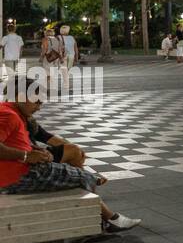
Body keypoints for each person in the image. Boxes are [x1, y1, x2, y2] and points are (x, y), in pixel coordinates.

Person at [0, 73, 142, 233]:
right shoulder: (8, 115)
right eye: (37, 102)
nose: (39, 107)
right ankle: (106, 220)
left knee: (78, 166)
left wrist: (34, 151)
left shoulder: (13, 112)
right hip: (17, 176)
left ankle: (104, 219)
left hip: (19, 169)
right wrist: (26, 156)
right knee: (85, 178)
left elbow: (33, 139)